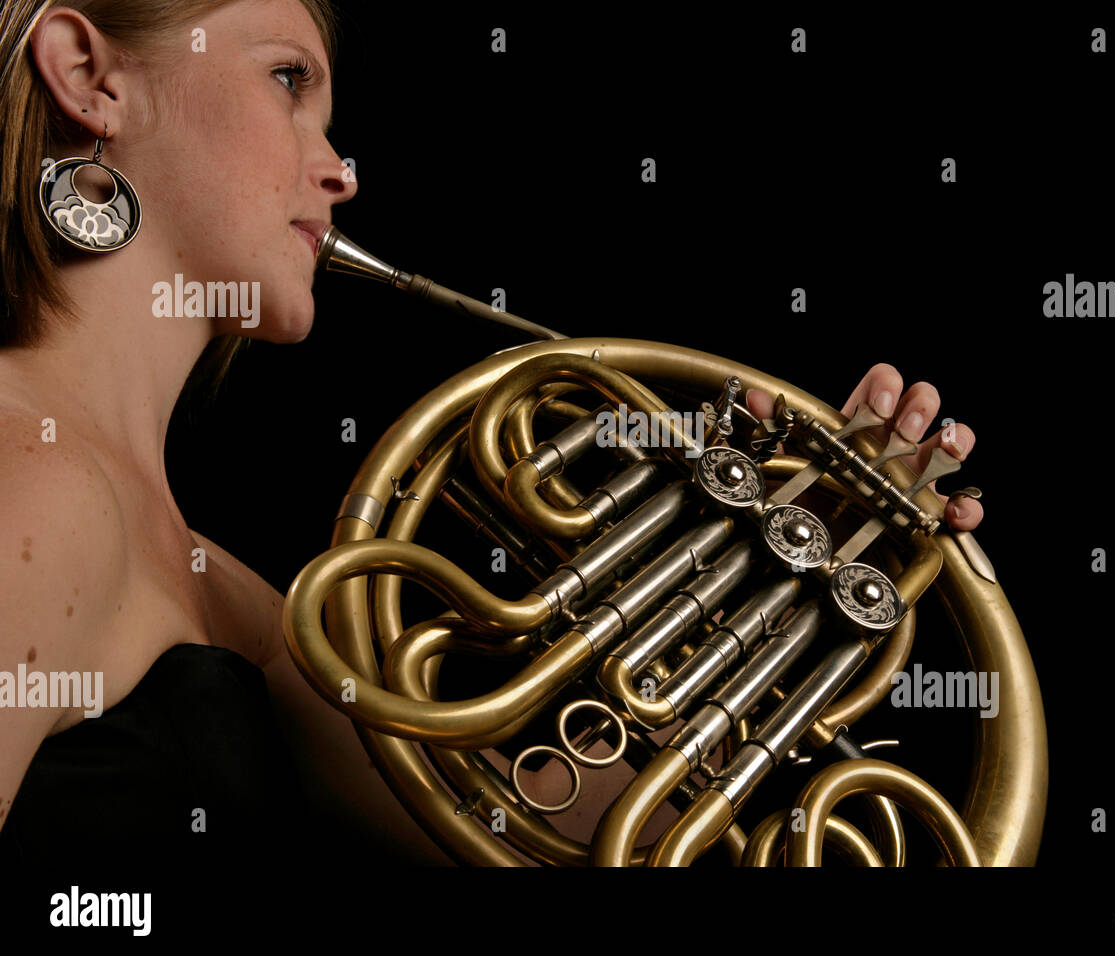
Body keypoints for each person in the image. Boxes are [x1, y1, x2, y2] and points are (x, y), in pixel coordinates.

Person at [0, 0, 983, 869]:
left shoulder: (194, 566)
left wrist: (789, 573)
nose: (339, 172)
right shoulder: (36, 483)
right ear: (91, 78)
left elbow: (507, 828)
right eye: (288, 80)